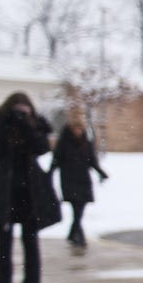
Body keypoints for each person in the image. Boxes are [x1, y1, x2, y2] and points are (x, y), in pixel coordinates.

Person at [0, 91, 57, 283]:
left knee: (31, 244)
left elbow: (41, 148)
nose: (19, 114)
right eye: (16, 109)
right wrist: (7, 123)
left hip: (30, 193)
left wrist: (25, 125)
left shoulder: (35, 125)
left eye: (24, 109)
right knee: (3, 244)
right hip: (4, 192)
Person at [51, 106, 109, 251]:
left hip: (83, 180)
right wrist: (49, 174)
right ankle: (79, 237)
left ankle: (73, 234)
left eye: (80, 129)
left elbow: (92, 161)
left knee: (80, 209)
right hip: (69, 179)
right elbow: (56, 160)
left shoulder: (86, 143)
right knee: (76, 209)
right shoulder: (64, 144)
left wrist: (101, 172)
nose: (78, 132)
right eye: (76, 129)